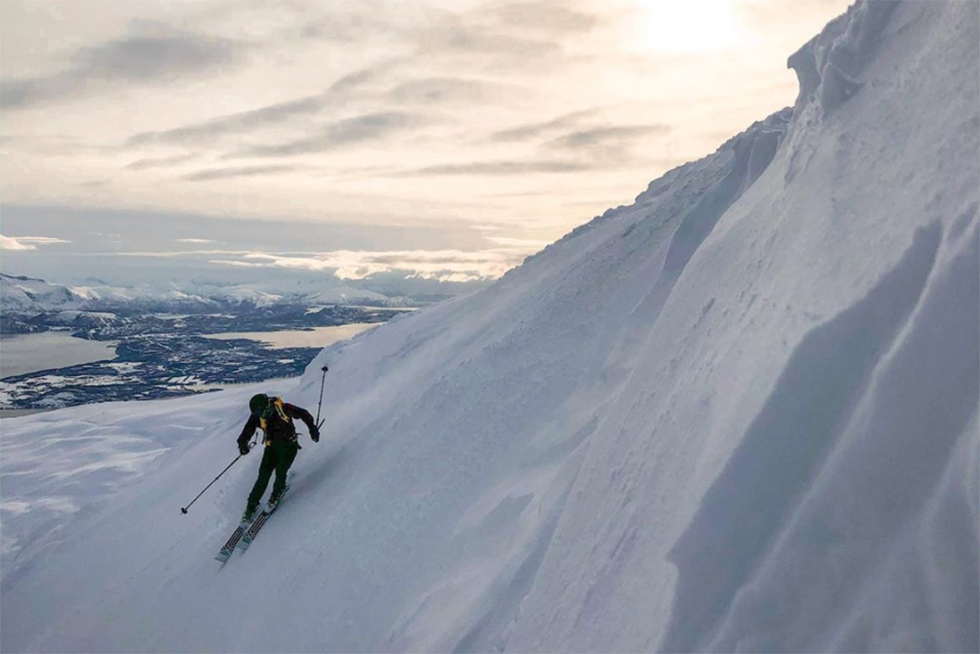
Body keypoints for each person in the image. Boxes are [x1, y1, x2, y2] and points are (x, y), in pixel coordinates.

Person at [237, 393, 320, 522]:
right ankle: (251, 505)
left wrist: (312, 429)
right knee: (263, 476)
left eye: (261, 412)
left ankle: (276, 494)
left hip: (289, 446)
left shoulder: (284, 409)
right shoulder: (257, 416)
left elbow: (304, 414)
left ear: (267, 406)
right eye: (257, 413)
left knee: (280, 472)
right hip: (271, 448)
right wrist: (242, 443)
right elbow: (248, 429)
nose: (259, 415)